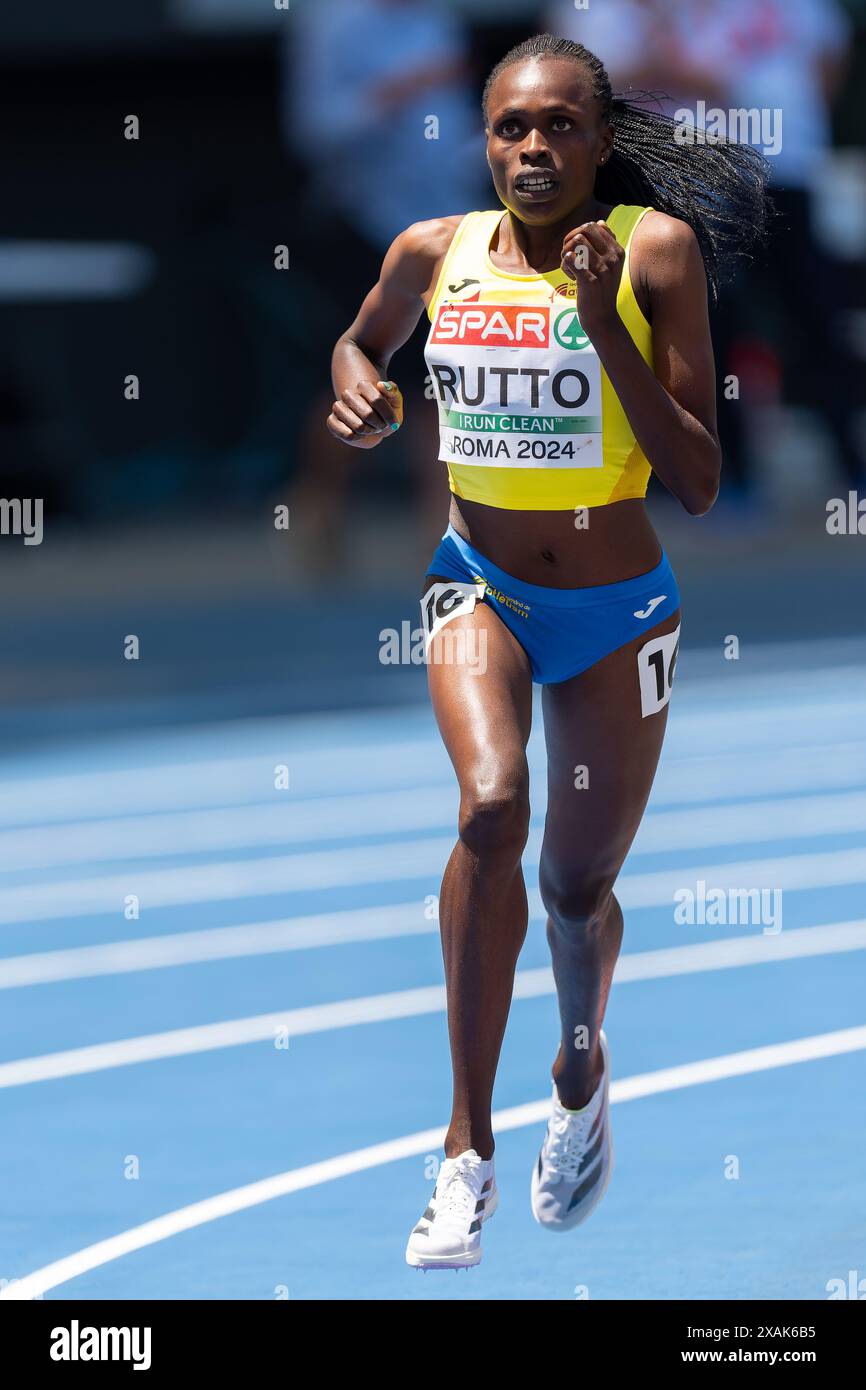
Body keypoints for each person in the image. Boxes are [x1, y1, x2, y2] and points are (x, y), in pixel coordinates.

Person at [326, 33, 770, 1270]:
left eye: (559, 127)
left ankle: (578, 1067)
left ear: (599, 139)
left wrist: (594, 318)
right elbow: (357, 343)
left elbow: (693, 476)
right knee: (489, 805)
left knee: (575, 893)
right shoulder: (433, 250)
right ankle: (461, 1149)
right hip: (478, 586)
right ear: (485, 140)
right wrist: (359, 385)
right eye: (510, 128)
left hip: (619, 613)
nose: (532, 149)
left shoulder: (654, 254)